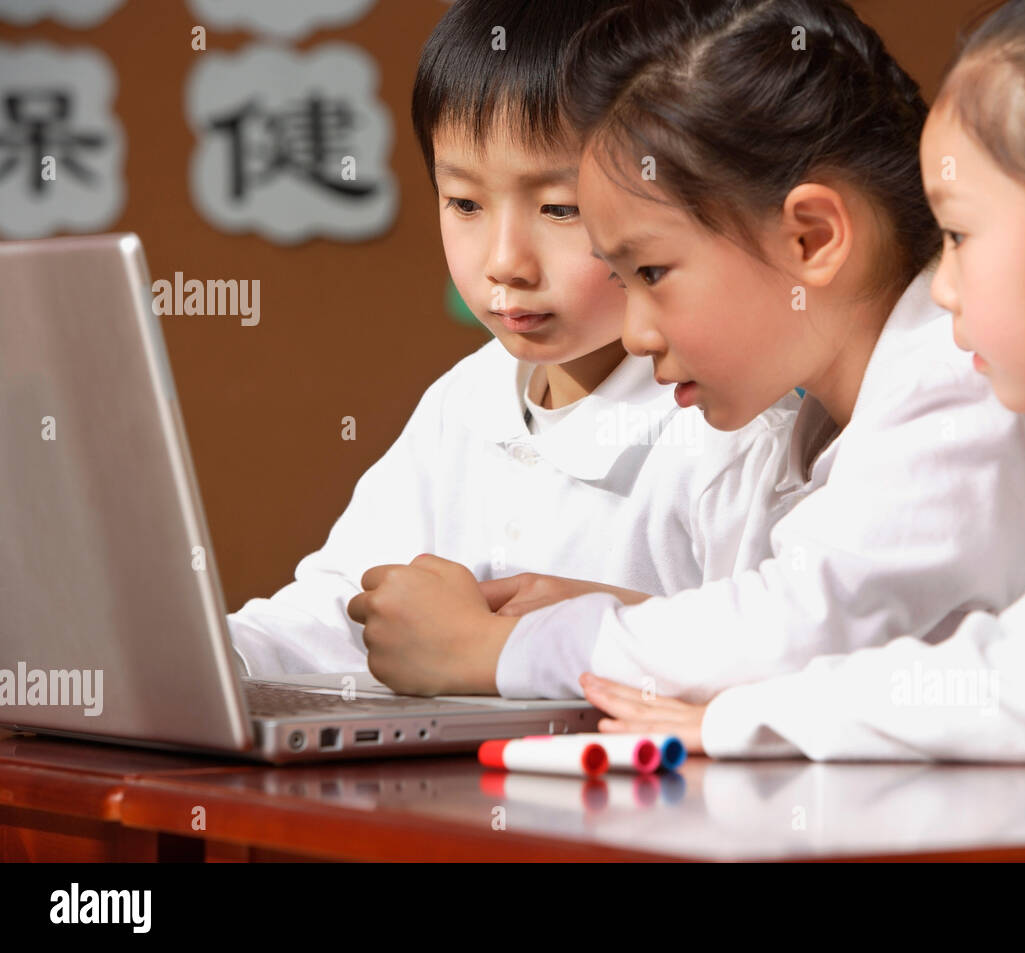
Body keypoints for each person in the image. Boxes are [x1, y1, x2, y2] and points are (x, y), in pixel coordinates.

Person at [349, 0, 1025, 705]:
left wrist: (497, 651)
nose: (636, 332)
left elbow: (803, 626)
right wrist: (618, 618)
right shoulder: (804, 418)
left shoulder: (964, 381)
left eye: (653, 273)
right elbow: (807, 643)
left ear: (811, 238)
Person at [226, 0, 803, 678]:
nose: (505, 261)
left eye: (560, 209)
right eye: (465, 202)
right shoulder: (465, 400)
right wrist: (216, 659)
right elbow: (341, 604)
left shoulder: (731, 424)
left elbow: (780, 658)